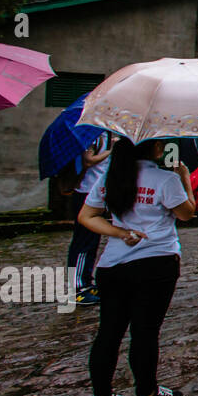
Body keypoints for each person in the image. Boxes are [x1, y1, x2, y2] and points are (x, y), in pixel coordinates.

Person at [78, 137, 196, 396]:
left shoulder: (110, 178)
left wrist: (119, 233)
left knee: (109, 331)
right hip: (157, 262)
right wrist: (185, 179)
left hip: (113, 264)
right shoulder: (165, 179)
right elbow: (187, 213)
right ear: (156, 150)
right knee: (145, 331)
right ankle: (145, 394)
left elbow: (86, 216)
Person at [68, 131, 111, 307]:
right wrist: (112, 150)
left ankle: (86, 280)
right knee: (84, 240)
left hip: (97, 191)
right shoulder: (94, 134)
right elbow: (88, 160)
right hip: (87, 191)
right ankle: (77, 287)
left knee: (92, 240)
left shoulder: (105, 133)